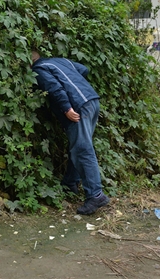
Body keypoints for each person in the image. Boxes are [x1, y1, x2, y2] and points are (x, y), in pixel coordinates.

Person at [31, 51, 109, 215]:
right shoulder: (60, 62)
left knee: (82, 149)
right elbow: (84, 70)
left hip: (77, 106)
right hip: (92, 102)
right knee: (79, 145)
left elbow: (54, 87)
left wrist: (66, 107)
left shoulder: (38, 68)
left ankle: (96, 195)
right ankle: (70, 183)